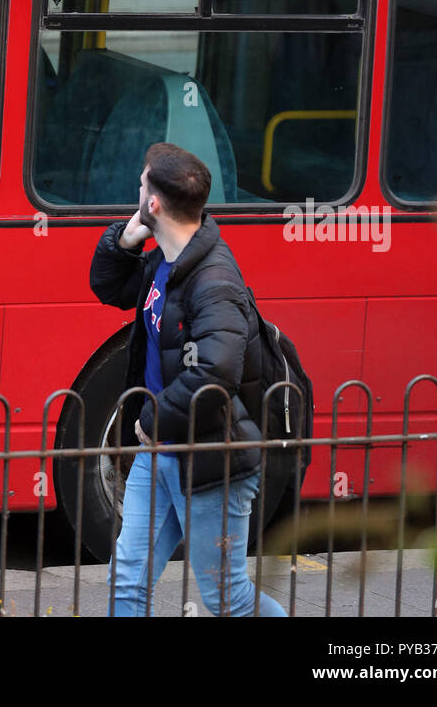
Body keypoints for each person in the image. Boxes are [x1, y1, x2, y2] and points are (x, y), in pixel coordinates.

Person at [89, 141, 287, 618]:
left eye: (141, 186)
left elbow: (216, 371)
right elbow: (110, 287)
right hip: (160, 455)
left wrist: (154, 418)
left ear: (153, 202)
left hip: (209, 463)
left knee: (228, 600)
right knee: (126, 582)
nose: (137, 192)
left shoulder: (214, 281)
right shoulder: (165, 262)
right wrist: (123, 241)